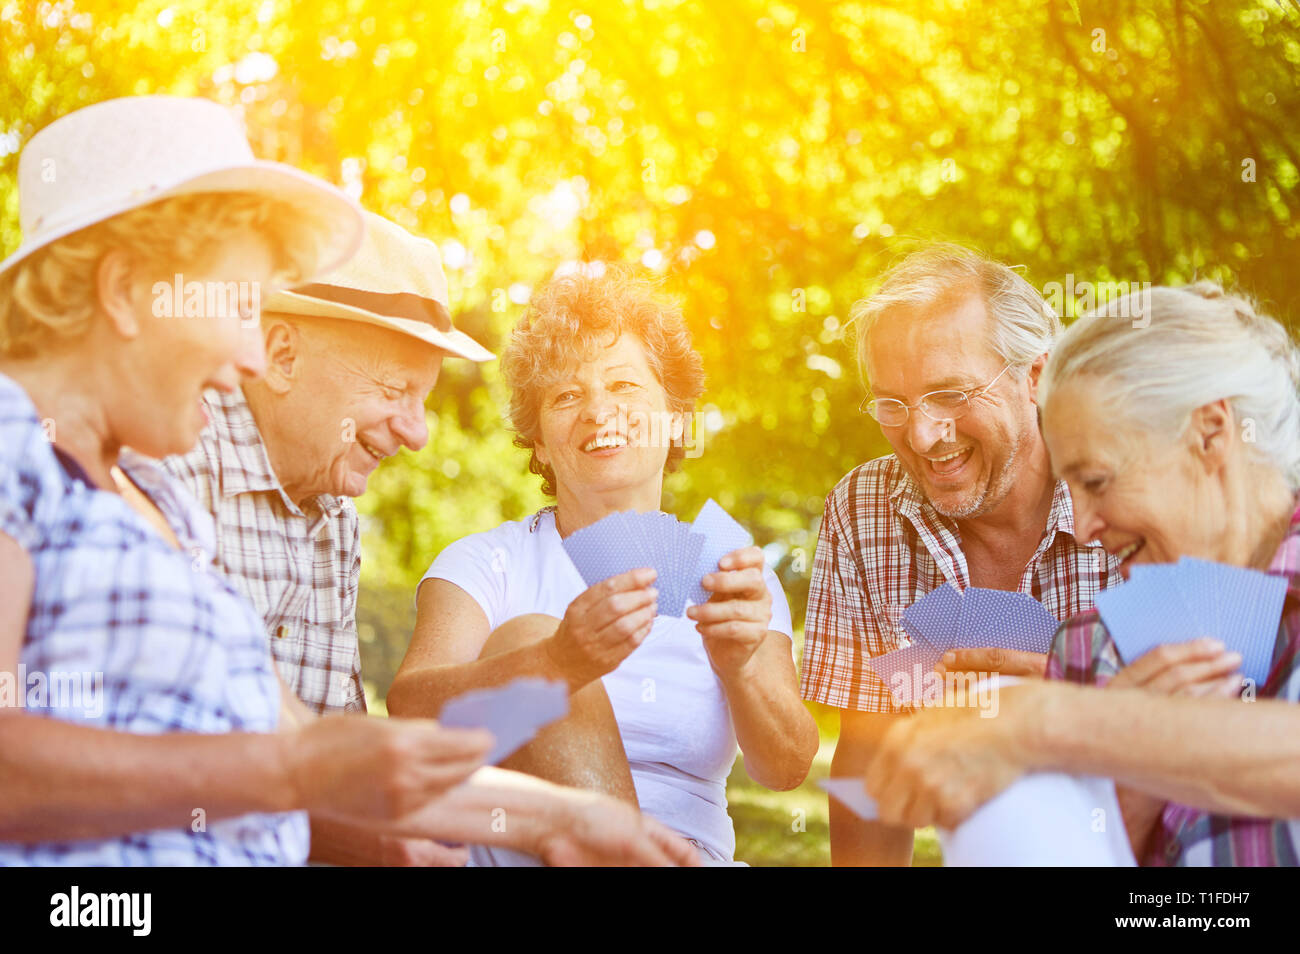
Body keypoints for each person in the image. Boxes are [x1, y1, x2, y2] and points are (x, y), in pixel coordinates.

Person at [0, 96, 696, 867]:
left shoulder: (156, 503)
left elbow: (318, 747)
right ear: (126, 290)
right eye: (238, 304)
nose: (248, 358)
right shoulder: (14, 447)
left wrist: (558, 820)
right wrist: (287, 773)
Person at [387, 265, 819, 864]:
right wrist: (554, 661)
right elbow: (409, 711)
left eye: (623, 386)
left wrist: (740, 667)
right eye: (566, 396)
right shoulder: (487, 562)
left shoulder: (731, 575)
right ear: (538, 441)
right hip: (523, 851)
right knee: (528, 636)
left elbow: (787, 767)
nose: (597, 411)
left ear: (675, 420)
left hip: (686, 853)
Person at [864, 281, 1300, 866]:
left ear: (1211, 432)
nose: (1087, 526)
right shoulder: (1095, 650)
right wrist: (1126, 794)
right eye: (1070, 487)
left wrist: (1050, 721)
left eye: (1096, 481)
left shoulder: (1065, 708)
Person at [163, 210, 493, 864]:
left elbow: (338, 734)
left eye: (422, 399)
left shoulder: (335, 514)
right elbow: (176, 754)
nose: (417, 432)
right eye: (397, 390)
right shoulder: (172, 466)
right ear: (282, 356)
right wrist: (373, 841)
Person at [801, 243, 1120, 865]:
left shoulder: (1126, 487)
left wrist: (1080, 694)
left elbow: (1229, 729)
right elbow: (870, 746)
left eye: (951, 394)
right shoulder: (864, 512)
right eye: (893, 403)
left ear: (1035, 375)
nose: (921, 437)